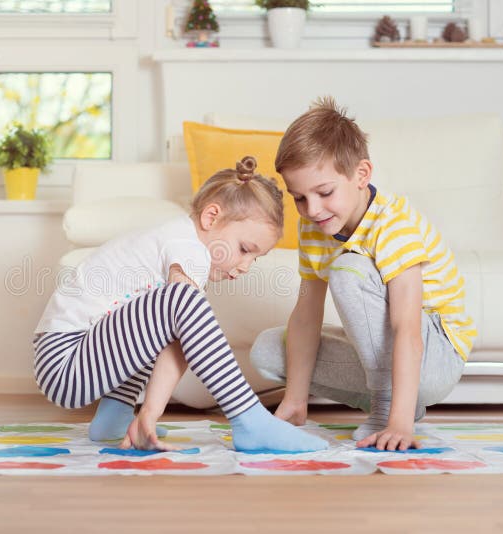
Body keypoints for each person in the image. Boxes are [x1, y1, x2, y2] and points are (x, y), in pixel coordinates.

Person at [33, 156, 328, 453]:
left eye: (255, 258)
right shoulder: (186, 247)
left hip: (68, 360)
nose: (245, 266)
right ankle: (249, 419)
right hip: (65, 361)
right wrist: (151, 412)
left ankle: (113, 418)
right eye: (243, 249)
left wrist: (148, 413)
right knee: (184, 303)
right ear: (211, 217)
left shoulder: (174, 240)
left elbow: (173, 339)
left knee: (165, 314)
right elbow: (183, 329)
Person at [250, 97, 476, 451]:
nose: (313, 209)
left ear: (361, 175)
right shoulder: (314, 227)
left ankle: (393, 408)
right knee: (266, 350)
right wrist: (295, 398)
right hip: (390, 360)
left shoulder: (393, 224)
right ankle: (403, 401)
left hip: (434, 356)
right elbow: (306, 315)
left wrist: (397, 423)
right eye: (299, 198)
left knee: (348, 269)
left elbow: (407, 327)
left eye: (324, 192)